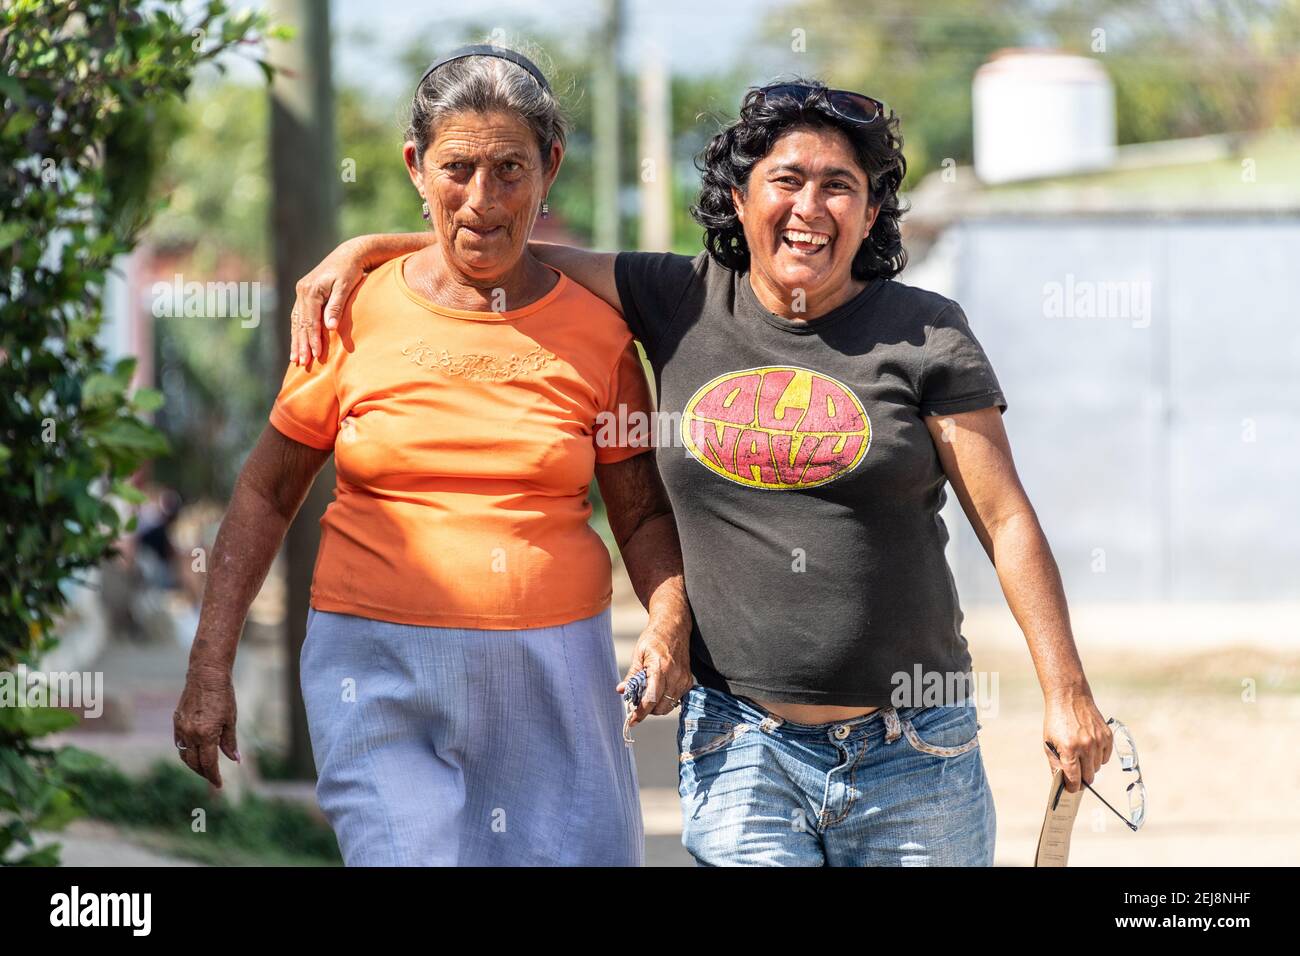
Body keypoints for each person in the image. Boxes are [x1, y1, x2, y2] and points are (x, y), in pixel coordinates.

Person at [288, 78, 1112, 866]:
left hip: (916, 750)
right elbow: (496, 242)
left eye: (840, 185)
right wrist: (368, 250)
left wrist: (1066, 690)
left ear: (870, 209)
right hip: (741, 747)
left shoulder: (925, 332)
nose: (810, 208)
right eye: (786, 179)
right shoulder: (675, 297)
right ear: (741, 197)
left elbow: (1005, 522)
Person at [174, 45, 692, 866]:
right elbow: (268, 493)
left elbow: (641, 513)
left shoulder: (598, 336)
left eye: (510, 170)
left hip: (552, 673)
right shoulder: (349, 312)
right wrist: (211, 663)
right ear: (416, 167)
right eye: (457, 168)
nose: (481, 200)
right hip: (373, 668)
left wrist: (669, 622)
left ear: (550, 167)